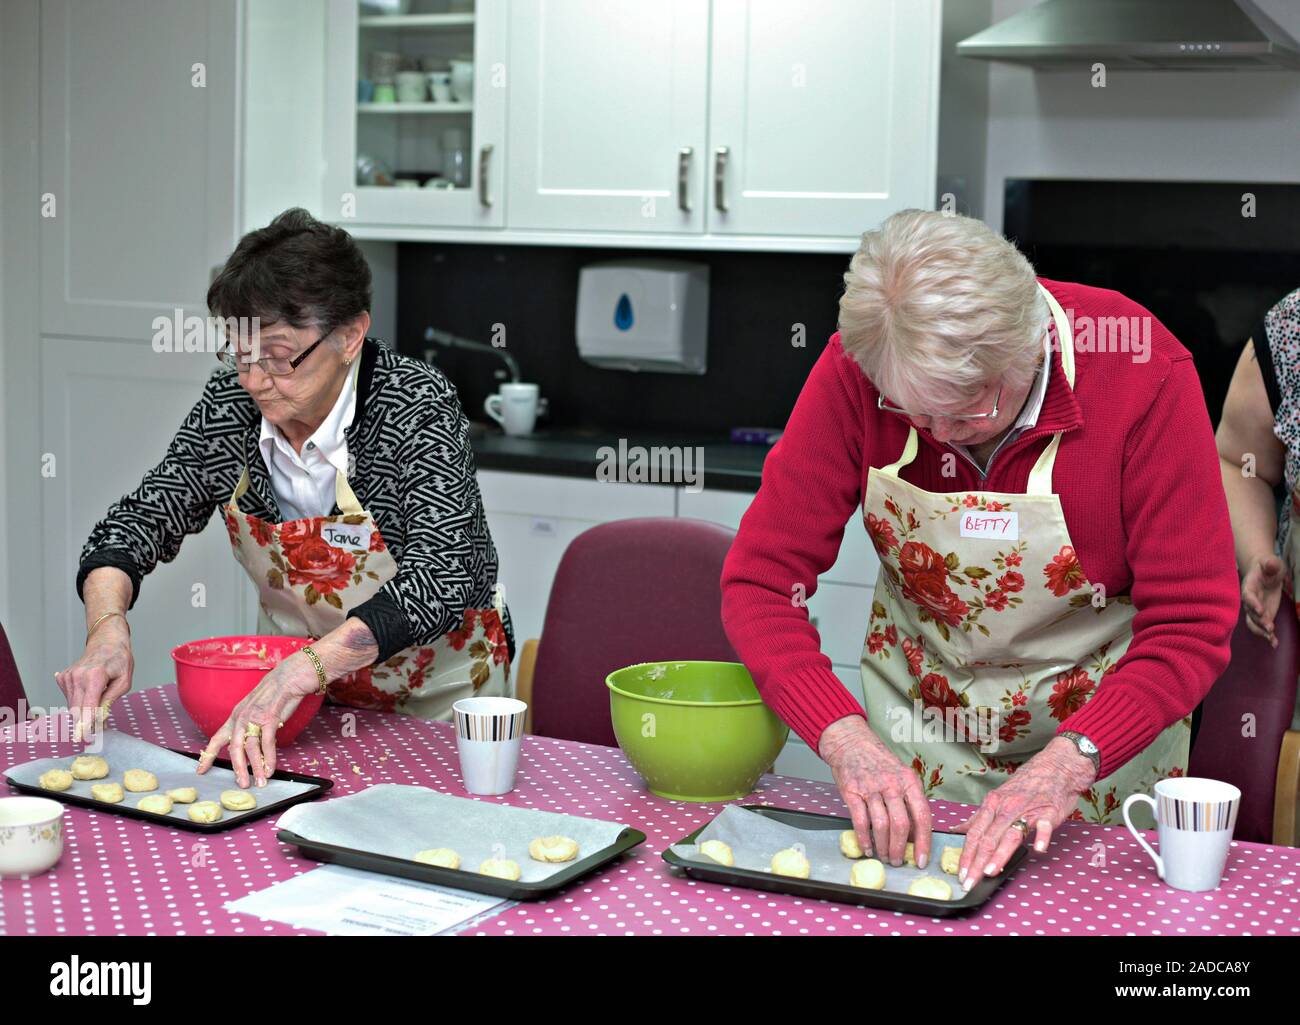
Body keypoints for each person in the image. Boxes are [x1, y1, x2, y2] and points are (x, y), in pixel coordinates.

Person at [721, 209, 1238, 893]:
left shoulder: (1143, 371)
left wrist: (1069, 761)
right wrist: (843, 736)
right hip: (919, 741)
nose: (943, 436)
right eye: (914, 415)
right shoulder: (863, 364)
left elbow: (1192, 621)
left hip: (1102, 752)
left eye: (966, 412)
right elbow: (761, 582)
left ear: (1032, 342)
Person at [57, 208, 512, 788]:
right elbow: (139, 521)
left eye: (278, 355)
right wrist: (106, 629)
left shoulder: (413, 404)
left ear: (350, 335)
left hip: (436, 702)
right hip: (294, 706)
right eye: (240, 354)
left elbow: (445, 573)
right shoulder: (232, 407)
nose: (253, 379)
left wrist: (307, 667)